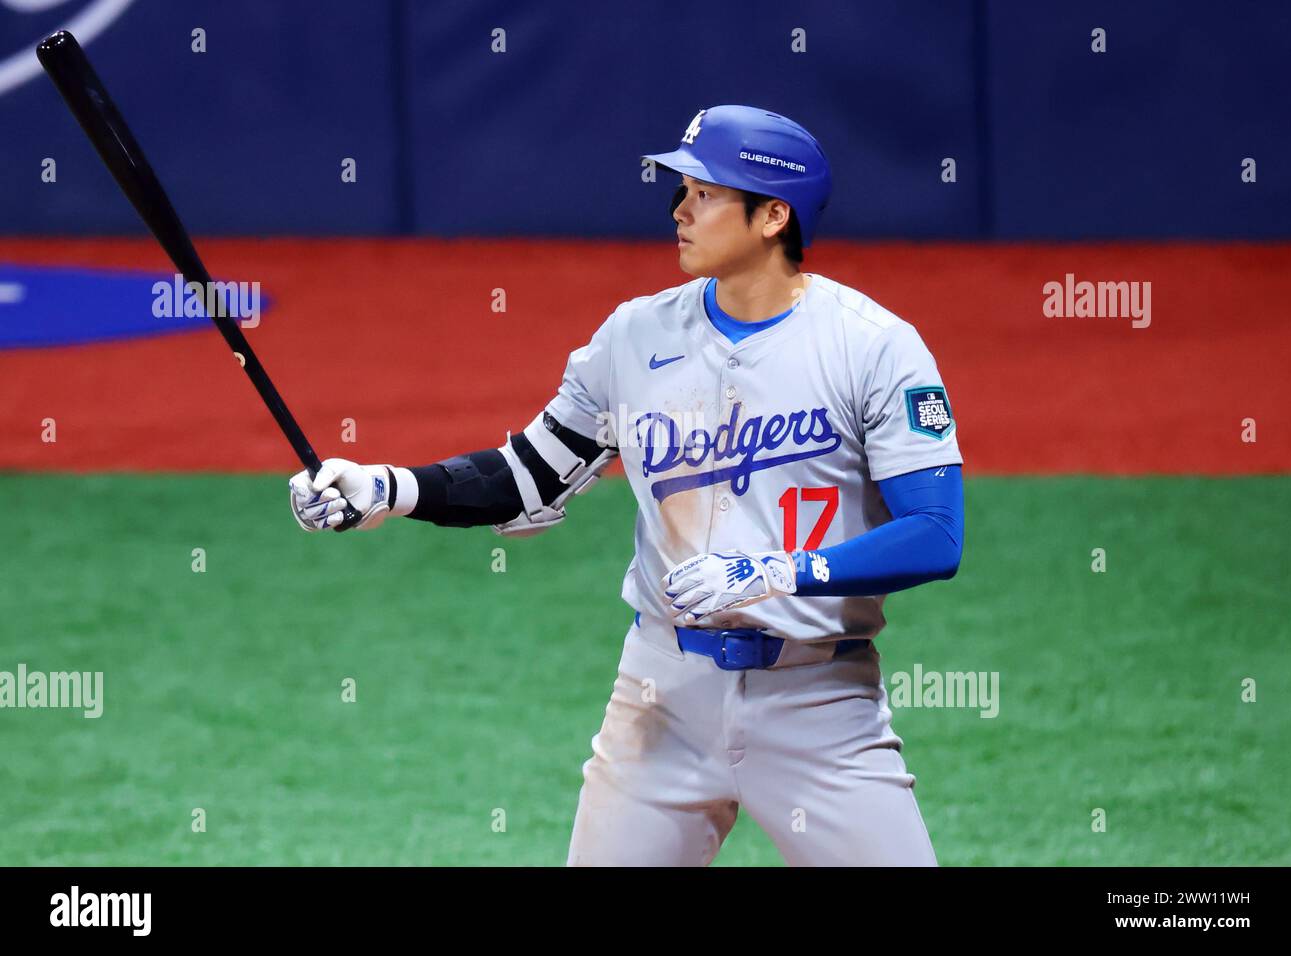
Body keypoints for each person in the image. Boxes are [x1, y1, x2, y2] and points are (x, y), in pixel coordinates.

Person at [289, 105, 964, 866]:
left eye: (705, 192)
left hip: (820, 702)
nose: (678, 208)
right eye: (682, 188)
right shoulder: (635, 337)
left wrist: (778, 573)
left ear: (774, 215)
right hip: (661, 700)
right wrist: (387, 486)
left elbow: (936, 535)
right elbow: (527, 474)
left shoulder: (873, 349)